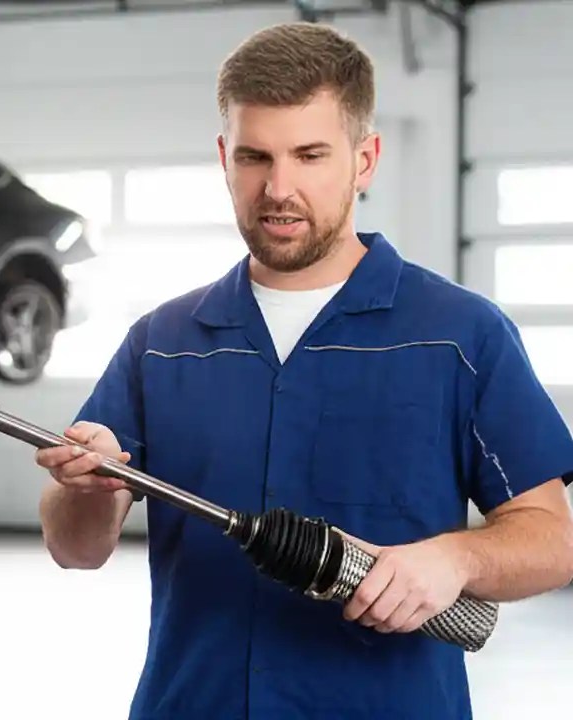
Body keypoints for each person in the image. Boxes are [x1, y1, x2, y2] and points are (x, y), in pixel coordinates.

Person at [35, 21, 573, 720]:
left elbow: (553, 538)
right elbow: (76, 550)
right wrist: (88, 490)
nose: (277, 188)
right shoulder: (162, 343)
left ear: (365, 158)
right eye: (255, 157)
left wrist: (456, 561)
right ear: (225, 158)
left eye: (310, 155)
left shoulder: (460, 336)